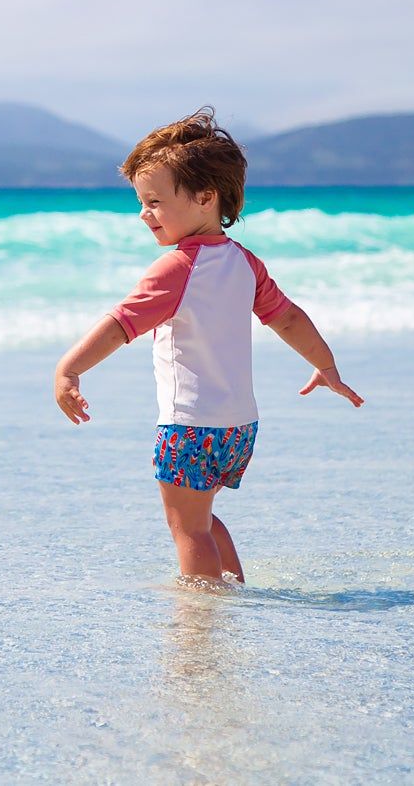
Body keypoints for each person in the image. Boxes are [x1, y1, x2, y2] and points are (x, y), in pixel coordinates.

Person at [53, 107, 363, 588]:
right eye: (141, 201)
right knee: (202, 519)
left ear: (204, 197)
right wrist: (326, 365)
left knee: (186, 527)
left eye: (154, 201)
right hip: (238, 427)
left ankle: (201, 614)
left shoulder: (175, 268)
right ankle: (233, 591)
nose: (143, 213)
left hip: (190, 425)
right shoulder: (244, 262)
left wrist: (69, 369)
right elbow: (288, 318)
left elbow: (120, 325)